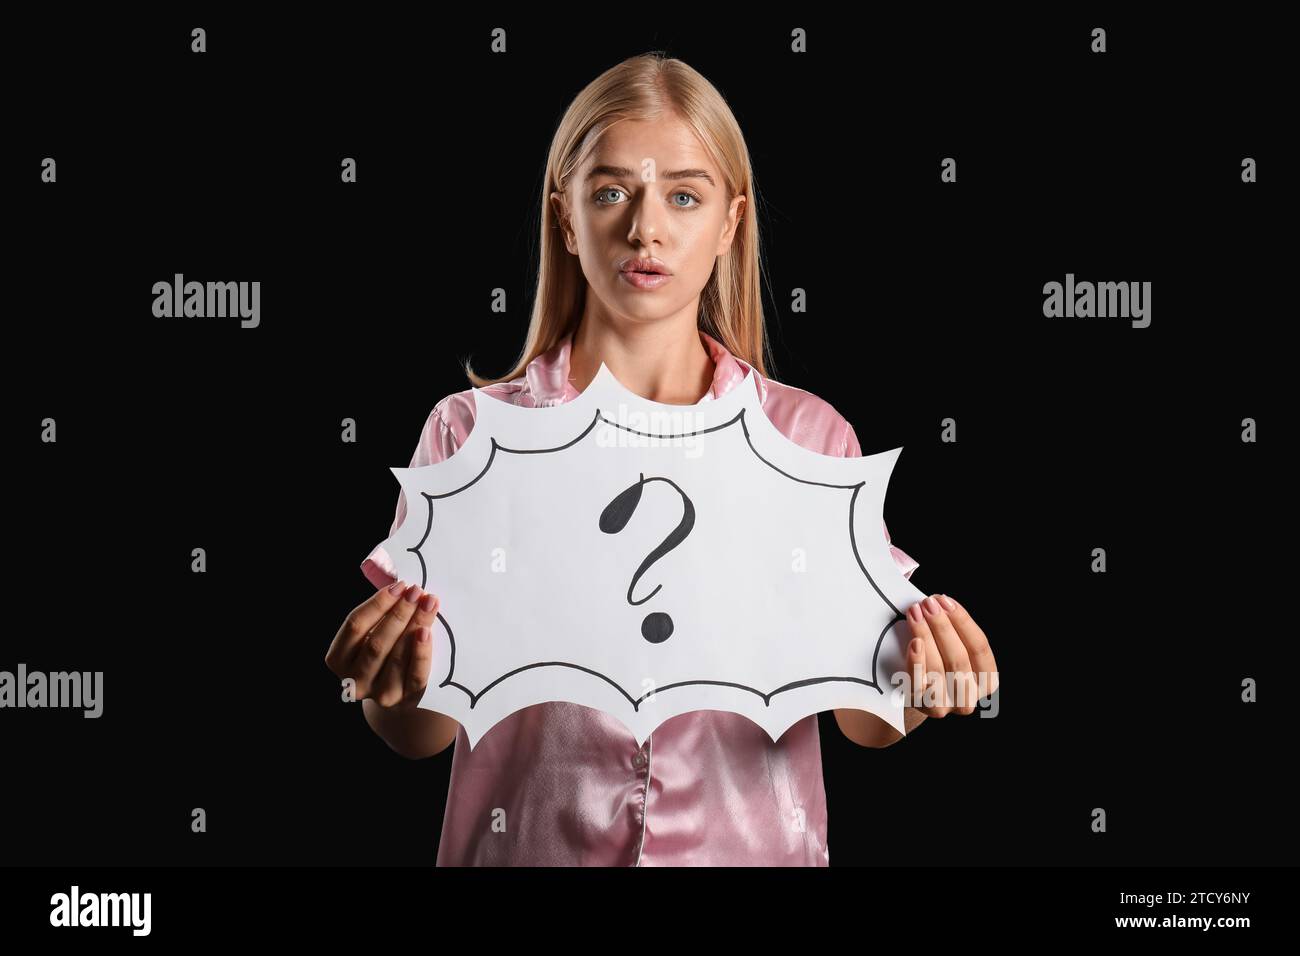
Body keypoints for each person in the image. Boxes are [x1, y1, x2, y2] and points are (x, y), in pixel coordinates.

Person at [324, 53, 999, 865]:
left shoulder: (806, 442)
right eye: (611, 193)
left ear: (730, 223)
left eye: (684, 195)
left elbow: (866, 713)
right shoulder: (471, 435)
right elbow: (420, 730)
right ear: (566, 218)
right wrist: (388, 686)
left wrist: (930, 683)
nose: (646, 228)